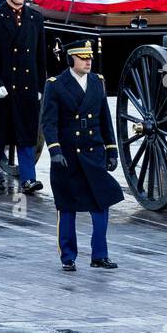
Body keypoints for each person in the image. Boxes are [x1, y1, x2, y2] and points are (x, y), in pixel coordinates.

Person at [41, 39, 124, 272]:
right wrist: (54, 150)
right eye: (83, 57)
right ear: (71, 59)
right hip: (68, 155)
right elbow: (48, 122)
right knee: (67, 208)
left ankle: (100, 254)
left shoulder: (97, 82)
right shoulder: (56, 85)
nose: (88, 61)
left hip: (93, 153)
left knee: (101, 204)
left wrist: (111, 150)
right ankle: (68, 256)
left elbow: (105, 119)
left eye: (90, 57)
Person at [0, 0, 46, 193]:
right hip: (2, 86)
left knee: (26, 136)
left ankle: (28, 178)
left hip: (26, 87)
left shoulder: (35, 18)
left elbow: (40, 56)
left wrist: (40, 87)